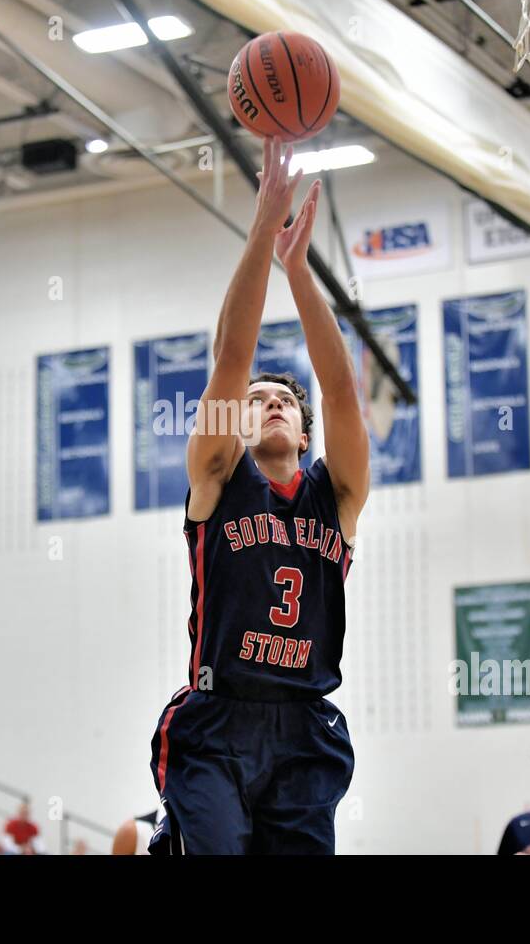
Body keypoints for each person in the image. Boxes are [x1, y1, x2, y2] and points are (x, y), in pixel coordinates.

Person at [148, 139, 369, 855]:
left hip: (304, 727)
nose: (269, 404)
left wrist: (298, 271)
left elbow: (339, 390)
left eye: (282, 402)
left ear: (304, 434)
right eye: (257, 402)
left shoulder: (335, 494)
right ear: (237, 424)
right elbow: (230, 359)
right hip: (217, 719)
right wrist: (259, 233)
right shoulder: (219, 474)